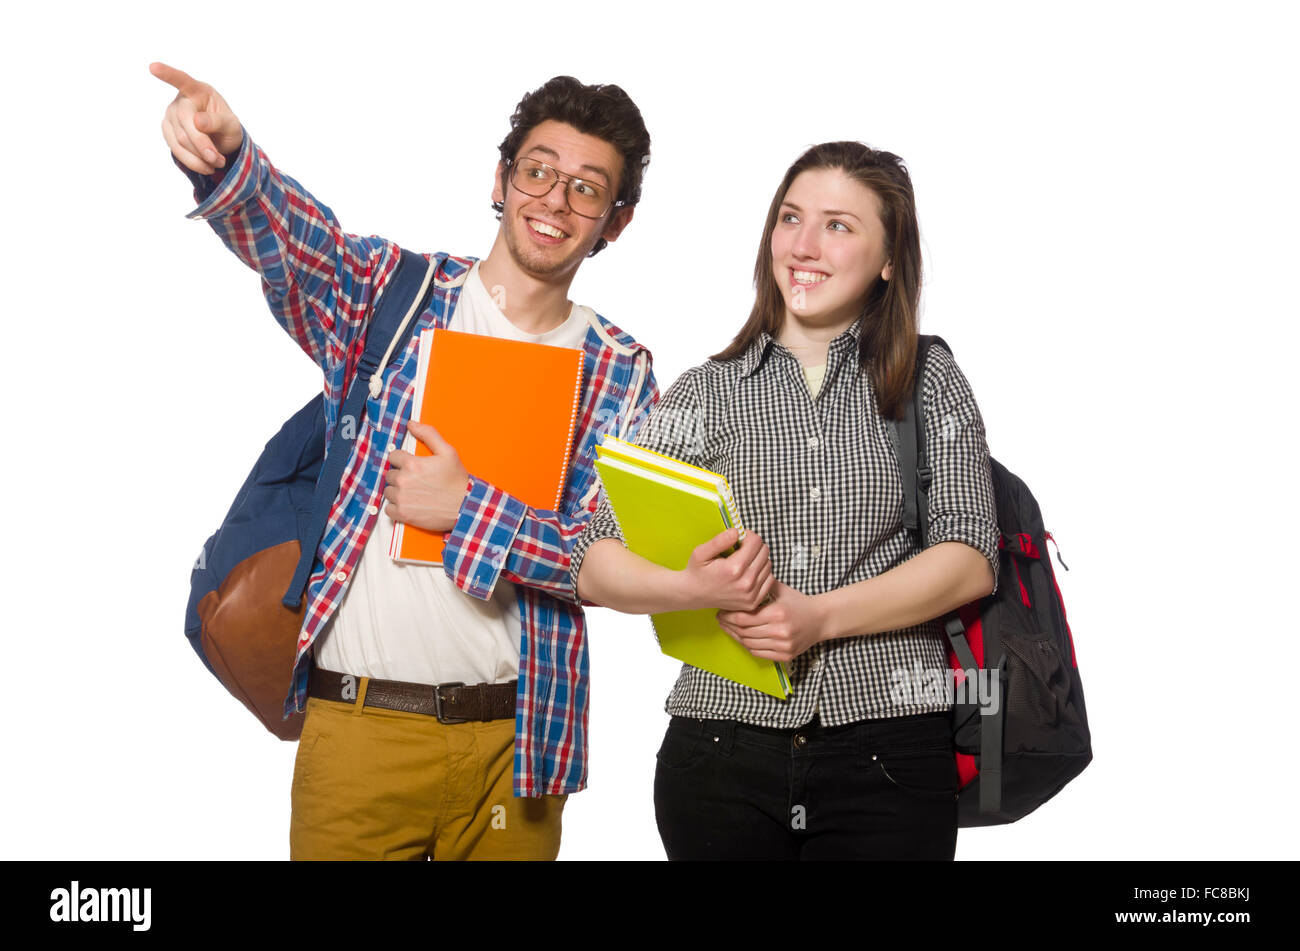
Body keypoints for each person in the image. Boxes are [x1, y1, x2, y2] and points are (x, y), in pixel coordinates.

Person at [153, 62, 658, 860]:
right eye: (538, 171)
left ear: (615, 222)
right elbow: (300, 245)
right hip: (359, 730)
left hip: (517, 749)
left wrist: (470, 510)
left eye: (587, 189)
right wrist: (230, 152)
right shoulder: (397, 297)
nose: (555, 202)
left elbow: (602, 558)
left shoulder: (620, 371)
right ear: (502, 178)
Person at [571, 141, 999, 860]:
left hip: (889, 748)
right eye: (791, 217)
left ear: (890, 258)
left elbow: (970, 557)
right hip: (718, 753)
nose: (803, 244)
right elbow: (593, 556)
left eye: (838, 225)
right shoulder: (704, 392)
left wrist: (819, 617)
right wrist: (688, 587)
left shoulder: (928, 378)